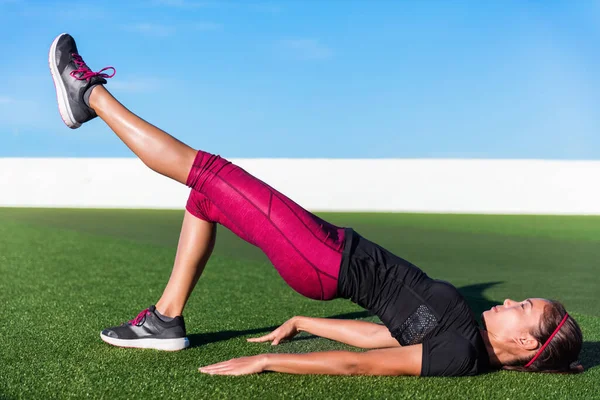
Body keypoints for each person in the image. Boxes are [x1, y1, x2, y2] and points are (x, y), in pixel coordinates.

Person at [48, 33, 583, 377]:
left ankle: (87, 95)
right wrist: (307, 321)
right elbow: (385, 334)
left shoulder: (461, 355)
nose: (512, 302)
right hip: (326, 253)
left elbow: (363, 365)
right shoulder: (464, 332)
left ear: (523, 342)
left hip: (321, 258)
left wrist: (268, 360)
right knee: (205, 196)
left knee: (206, 169)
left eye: (523, 308)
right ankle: (166, 319)